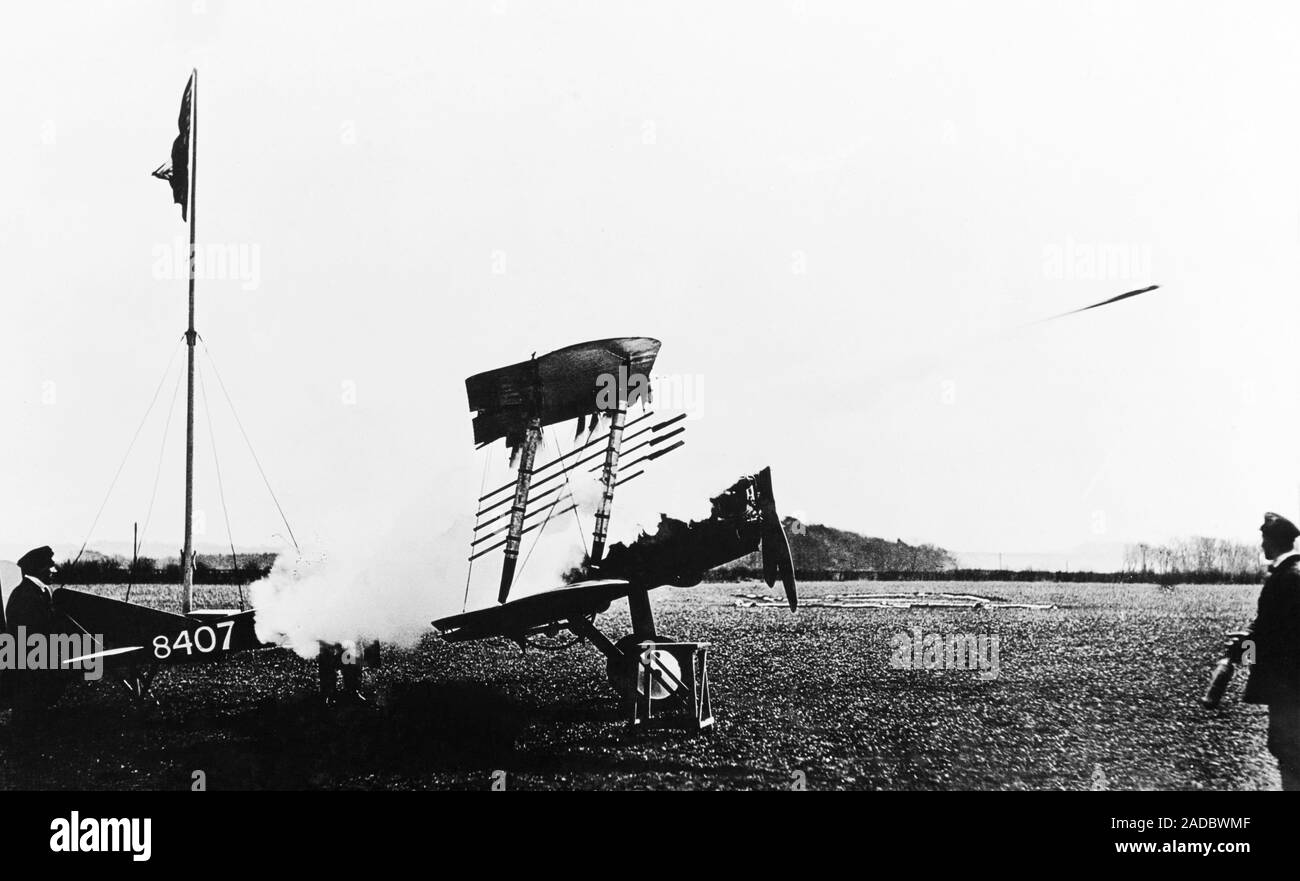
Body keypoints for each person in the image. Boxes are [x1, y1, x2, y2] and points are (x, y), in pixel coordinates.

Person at [1243, 512, 1300, 790]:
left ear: (1272, 542)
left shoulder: (1288, 577)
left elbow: (1274, 637)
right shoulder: (1290, 573)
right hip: (1290, 686)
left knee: (1290, 754)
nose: (1262, 545)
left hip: (1290, 688)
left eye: (1264, 539)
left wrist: (1245, 650)